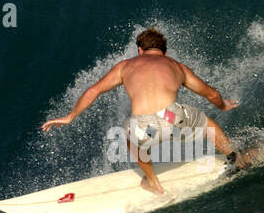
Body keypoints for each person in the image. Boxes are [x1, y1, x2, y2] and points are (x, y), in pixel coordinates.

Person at [41, 27, 249, 195]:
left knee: (130, 136)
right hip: (172, 117)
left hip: (143, 127)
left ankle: (153, 184)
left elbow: (94, 90)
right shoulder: (175, 65)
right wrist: (224, 105)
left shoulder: (125, 67)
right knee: (206, 124)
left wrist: (70, 116)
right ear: (164, 52)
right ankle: (235, 157)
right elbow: (210, 94)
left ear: (139, 50)